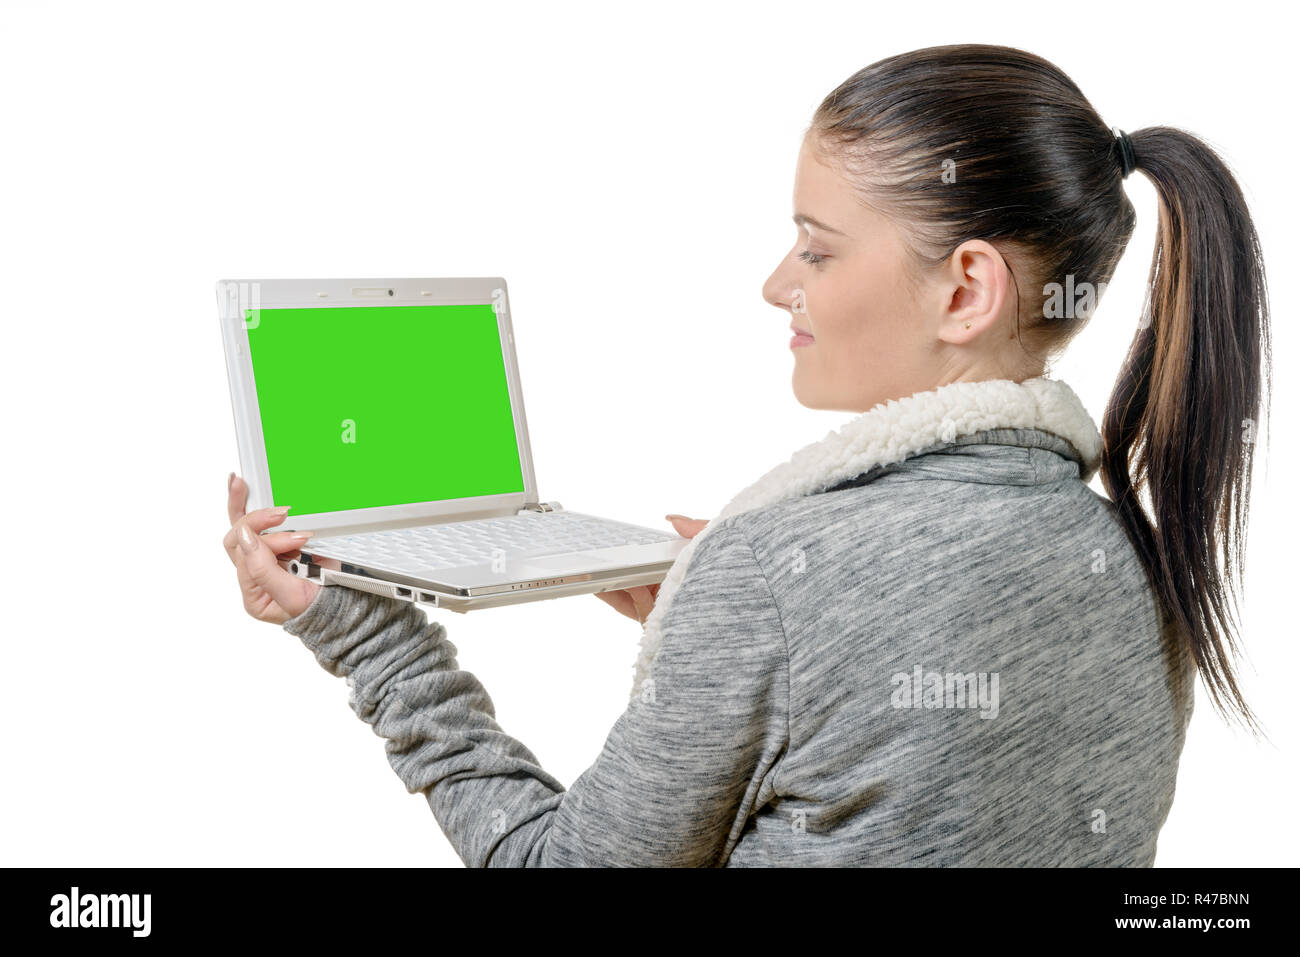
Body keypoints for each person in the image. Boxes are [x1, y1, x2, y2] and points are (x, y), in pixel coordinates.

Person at [221, 44, 1270, 866]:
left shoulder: (771, 571)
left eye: (816, 246)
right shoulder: (1134, 550)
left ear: (965, 290)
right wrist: (747, 615)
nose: (779, 283)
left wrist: (365, 633)